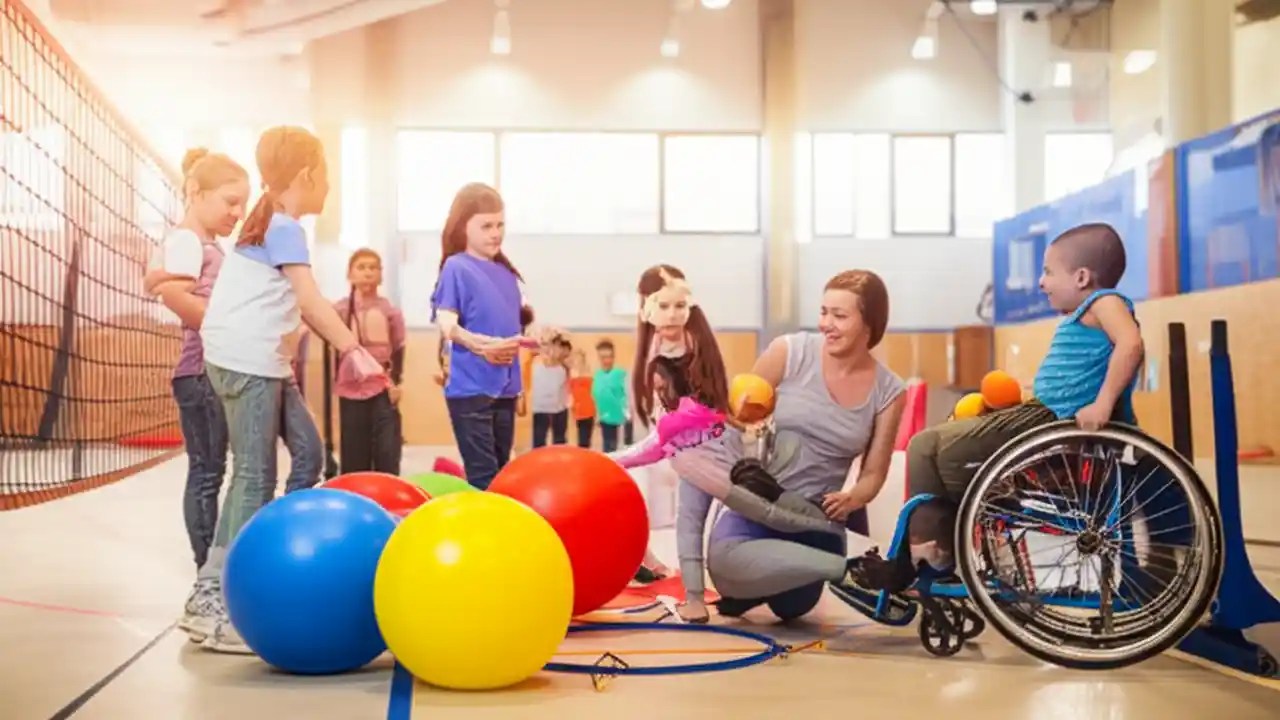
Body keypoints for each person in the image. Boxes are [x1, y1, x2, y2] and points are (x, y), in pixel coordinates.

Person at [856, 223, 1143, 596]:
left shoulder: (1106, 303)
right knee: (929, 447)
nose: (1041, 282)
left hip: (1048, 421)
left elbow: (1131, 345)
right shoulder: (1087, 312)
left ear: (1082, 276)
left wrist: (1103, 403)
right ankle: (935, 551)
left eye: (1048, 272)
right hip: (1039, 413)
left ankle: (929, 554)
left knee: (927, 448)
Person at [612, 269, 909, 623]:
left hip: (814, 518)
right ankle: (845, 568)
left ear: (869, 323)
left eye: (840, 316)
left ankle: (822, 569)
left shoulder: (890, 391)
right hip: (757, 502)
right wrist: (709, 461)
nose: (827, 323)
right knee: (724, 565)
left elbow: (874, 473)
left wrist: (856, 497)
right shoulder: (790, 351)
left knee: (792, 606)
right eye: (823, 312)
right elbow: (734, 420)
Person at [190, 126, 387, 653]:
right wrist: (354, 349)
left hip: (261, 363)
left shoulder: (272, 225)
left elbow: (275, 308)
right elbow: (309, 301)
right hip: (245, 363)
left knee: (309, 454)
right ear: (307, 175)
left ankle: (280, 562)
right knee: (253, 477)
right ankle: (220, 596)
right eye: (326, 176)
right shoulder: (283, 227)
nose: (330, 187)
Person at [143, 149, 249, 577]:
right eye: (230, 201)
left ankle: (213, 569)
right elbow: (175, 296)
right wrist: (228, 328)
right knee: (207, 473)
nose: (238, 213)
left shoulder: (198, 242)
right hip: (202, 371)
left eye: (242, 203)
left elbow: (163, 283)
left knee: (212, 470)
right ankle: (209, 574)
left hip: (209, 370)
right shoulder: (188, 239)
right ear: (196, 192)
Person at [430, 183, 536, 490]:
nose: (495, 233)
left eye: (500, 225)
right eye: (486, 226)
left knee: (503, 476)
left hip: (505, 390)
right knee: (484, 478)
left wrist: (536, 342)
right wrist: (481, 346)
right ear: (464, 227)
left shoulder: (506, 274)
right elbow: (447, 323)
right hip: (471, 390)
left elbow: (513, 329)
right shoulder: (456, 267)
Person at [334, 248, 406, 475]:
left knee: (387, 451)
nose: (368, 273)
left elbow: (399, 348)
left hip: (382, 387)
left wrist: (396, 382)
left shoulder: (389, 311)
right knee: (354, 453)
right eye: (361, 267)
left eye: (373, 268)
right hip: (350, 389)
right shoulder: (339, 310)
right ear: (350, 274)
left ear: (381, 275)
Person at [530, 334, 571, 447]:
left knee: (559, 443)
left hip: (559, 411)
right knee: (538, 443)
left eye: (558, 347)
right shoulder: (536, 365)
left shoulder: (564, 368)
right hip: (540, 410)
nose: (554, 350)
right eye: (553, 346)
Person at [592, 339, 628, 452]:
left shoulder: (621, 374)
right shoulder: (598, 375)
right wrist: (597, 415)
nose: (606, 360)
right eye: (602, 357)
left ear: (613, 356)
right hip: (605, 421)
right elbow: (597, 396)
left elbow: (627, 396)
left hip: (621, 421)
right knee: (608, 450)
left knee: (622, 451)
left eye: (609, 356)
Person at [567, 347, 596, 448]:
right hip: (578, 410)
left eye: (579, 358)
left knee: (585, 439)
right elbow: (570, 393)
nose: (577, 361)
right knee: (582, 439)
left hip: (589, 409)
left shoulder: (588, 372)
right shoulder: (572, 373)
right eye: (575, 359)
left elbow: (593, 392)